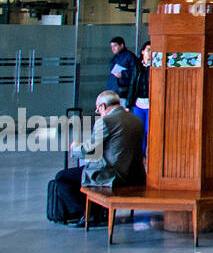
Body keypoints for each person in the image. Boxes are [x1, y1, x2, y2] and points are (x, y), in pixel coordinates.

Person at [51, 91, 144, 226]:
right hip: (135, 176)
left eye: (98, 110)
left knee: (62, 177)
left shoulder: (105, 121)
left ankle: (90, 213)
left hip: (113, 175)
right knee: (81, 172)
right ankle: (96, 210)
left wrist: (75, 147)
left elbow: (89, 150)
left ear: (103, 106)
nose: (99, 113)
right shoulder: (135, 119)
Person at [130, 40, 151, 159]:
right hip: (139, 103)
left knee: (149, 131)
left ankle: (149, 155)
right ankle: (141, 155)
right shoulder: (137, 66)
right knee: (139, 130)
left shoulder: (155, 67)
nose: (150, 53)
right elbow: (132, 85)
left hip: (151, 104)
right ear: (143, 52)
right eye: (148, 50)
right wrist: (129, 104)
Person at [107, 37, 142, 106]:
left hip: (123, 90)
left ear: (121, 45)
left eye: (115, 46)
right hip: (113, 89)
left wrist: (123, 74)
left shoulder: (130, 56)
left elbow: (135, 71)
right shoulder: (115, 57)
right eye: (112, 46)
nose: (113, 48)